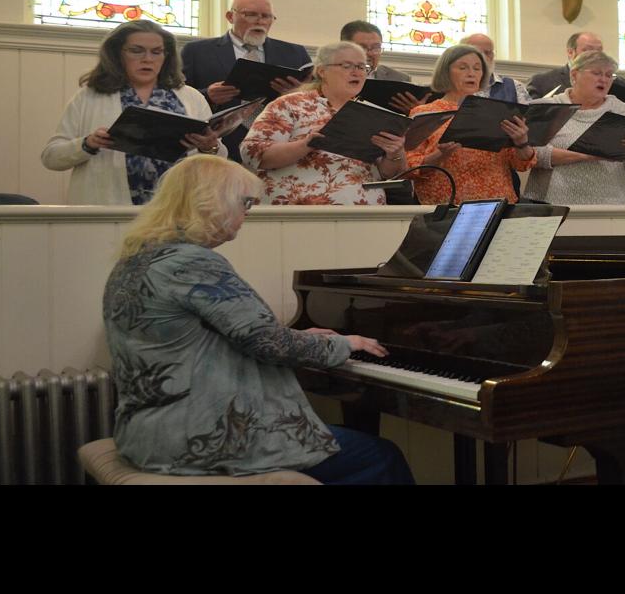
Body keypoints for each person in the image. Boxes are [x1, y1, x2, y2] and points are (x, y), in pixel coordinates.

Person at [102, 155, 414, 483]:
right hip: (200, 437)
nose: (247, 212)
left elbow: (213, 336)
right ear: (212, 202)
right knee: (379, 457)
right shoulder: (194, 263)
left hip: (148, 433)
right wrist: (343, 343)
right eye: (245, 201)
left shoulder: (138, 259)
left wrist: (304, 338)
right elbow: (267, 343)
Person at [41, 20, 224, 205]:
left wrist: (209, 146)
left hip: (177, 208)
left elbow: (219, 158)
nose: (147, 59)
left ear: (166, 56)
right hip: (108, 209)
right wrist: (88, 144)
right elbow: (51, 157)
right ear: (117, 54)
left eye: (156, 52)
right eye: (137, 51)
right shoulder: (90, 97)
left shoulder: (190, 97)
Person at [240, 42, 408, 205]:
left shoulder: (373, 113)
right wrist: (305, 144)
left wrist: (395, 153)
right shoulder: (290, 104)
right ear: (322, 71)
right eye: (347, 66)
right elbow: (252, 152)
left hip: (364, 213)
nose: (357, 72)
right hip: (298, 213)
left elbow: (387, 173)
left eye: (362, 67)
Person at [179, 0, 313, 163]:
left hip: (278, 145)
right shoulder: (197, 51)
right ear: (230, 16)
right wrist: (208, 96)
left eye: (266, 16)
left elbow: (315, 100)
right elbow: (180, 98)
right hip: (218, 145)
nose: (260, 21)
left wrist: (294, 94)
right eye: (250, 14)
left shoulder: (294, 53)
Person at [404, 44, 535, 204]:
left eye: (477, 68)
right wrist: (439, 155)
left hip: (498, 204)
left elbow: (520, 164)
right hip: (446, 207)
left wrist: (522, 143)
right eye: (463, 68)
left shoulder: (496, 111)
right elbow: (408, 167)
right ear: (445, 72)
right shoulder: (425, 112)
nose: (471, 73)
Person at [524, 53, 625, 205]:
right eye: (597, 73)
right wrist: (590, 155)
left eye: (609, 75)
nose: (604, 80)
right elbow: (534, 155)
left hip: (613, 202)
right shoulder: (547, 107)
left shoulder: (622, 110)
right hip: (553, 201)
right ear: (574, 75)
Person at [528, 32, 625, 117]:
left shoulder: (620, 83)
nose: (595, 54)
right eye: (588, 50)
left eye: (599, 50)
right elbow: (531, 118)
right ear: (570, 52)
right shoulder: (542, 81)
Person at [459, 33, 530, 104]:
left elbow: (529, 114)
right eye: (478, 52)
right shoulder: (453, 85)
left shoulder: (515, 87)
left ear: (493, 55)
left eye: (487, 53)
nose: (483, 57)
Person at [340, 20, 411, 82]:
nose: (370, 53)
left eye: (375, 47)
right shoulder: (331, 76)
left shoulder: (399, 79)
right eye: (362, 48)